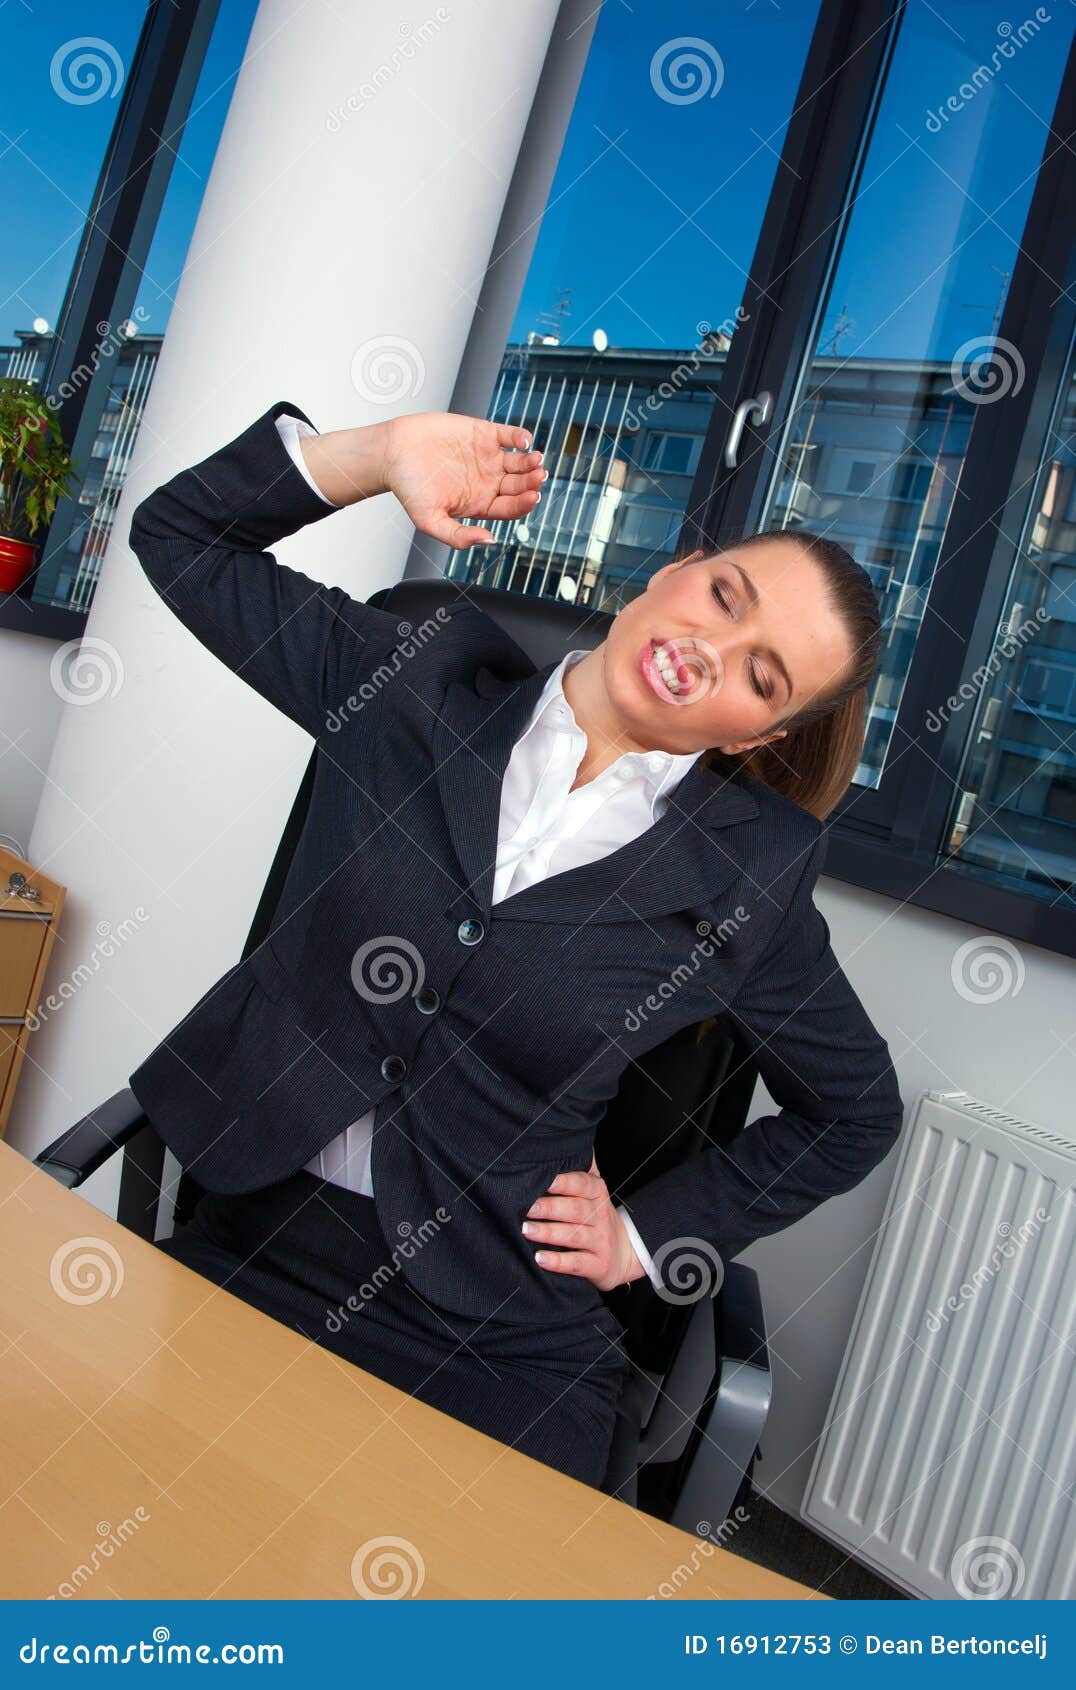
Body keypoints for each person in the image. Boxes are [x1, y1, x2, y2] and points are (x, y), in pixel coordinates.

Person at [130, 399, 905, 1489]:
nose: (709, 648)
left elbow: (856, 1111)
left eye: (760, 674)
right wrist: (376, 453)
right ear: (678, 567)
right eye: (725, 597)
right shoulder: (412, 678)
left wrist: (643, 1235)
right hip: (259, 1234)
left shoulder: (747, 876)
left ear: (759, 733)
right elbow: (180, 537)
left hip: (495, 1325)